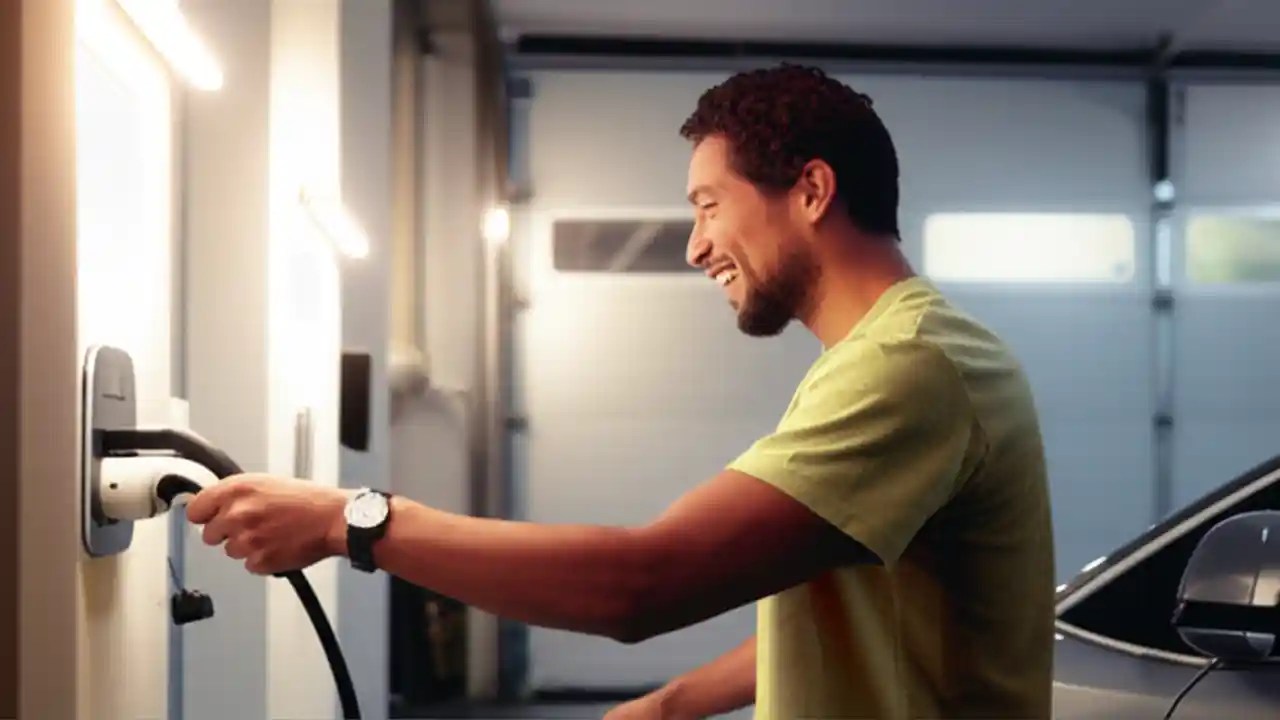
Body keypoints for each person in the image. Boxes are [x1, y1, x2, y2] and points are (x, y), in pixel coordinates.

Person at [186, 64, 1056, 719]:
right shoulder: (900, 355)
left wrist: (352, 521)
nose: (694, 246)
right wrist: (676, 702)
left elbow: (641, 584)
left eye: (709, 205)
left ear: (812, 191)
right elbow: (852, 609)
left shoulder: (907, 368)